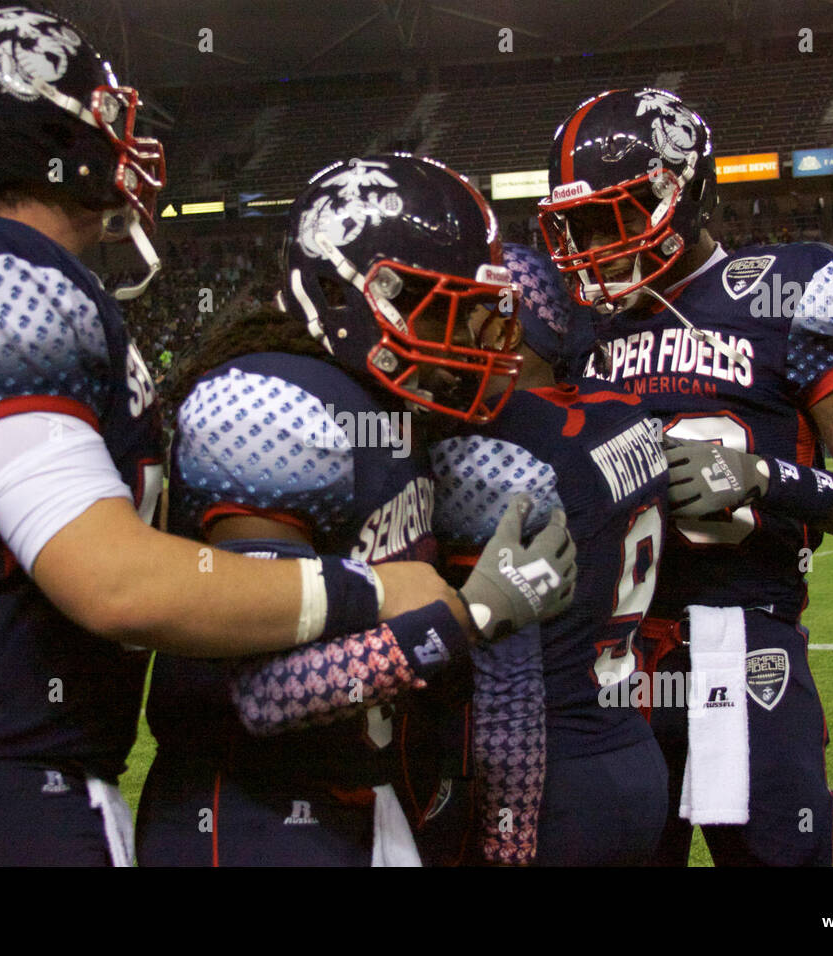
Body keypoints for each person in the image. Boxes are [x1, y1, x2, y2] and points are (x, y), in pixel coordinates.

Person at [0, 8, 507, 867]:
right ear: (43, 126)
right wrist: (376, 593)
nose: (127, 142)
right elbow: (115, 584)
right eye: (105, 114)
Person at [136, 154, 576, 867]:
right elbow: (265, 695)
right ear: (344, 295)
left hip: (372, 801)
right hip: (250, 819)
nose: (467, 341)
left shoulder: (393, 410)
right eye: (443, 308)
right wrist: (473, 616)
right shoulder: (267, 403)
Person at [540, 87, 833, 866]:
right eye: (576, 221)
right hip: (609, 665)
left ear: (687, 192)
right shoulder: (570, 327)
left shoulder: (789, 289)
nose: (593, 241)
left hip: (747, 655)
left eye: (618, 212)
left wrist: (763, 478)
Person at [431, 243, 670, 865]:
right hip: (629, 750)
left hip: (548, 776)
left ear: (509, 327)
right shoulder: (623, 411)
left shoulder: (498, 449)